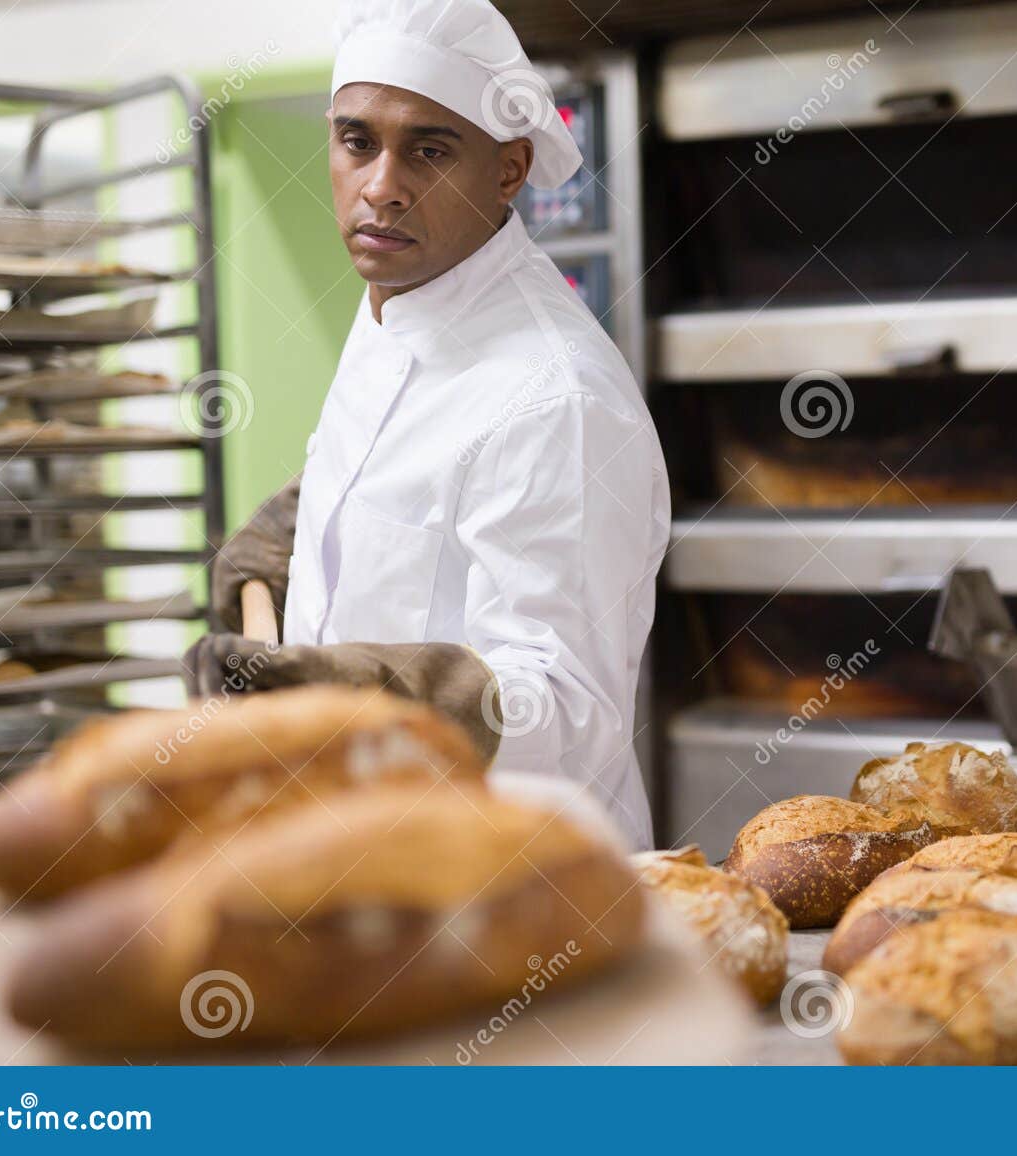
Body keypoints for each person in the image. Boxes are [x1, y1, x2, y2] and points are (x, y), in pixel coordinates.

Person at [185, 0, 668, 848]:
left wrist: (359, 695)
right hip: (360, 849)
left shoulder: (559, 399)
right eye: (356, 141)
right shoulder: (403, 297)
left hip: (511, 888)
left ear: (509, 170)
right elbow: (426, 467)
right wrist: (300, 527)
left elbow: (566, 714)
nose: (381, 187)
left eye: (430, 150)